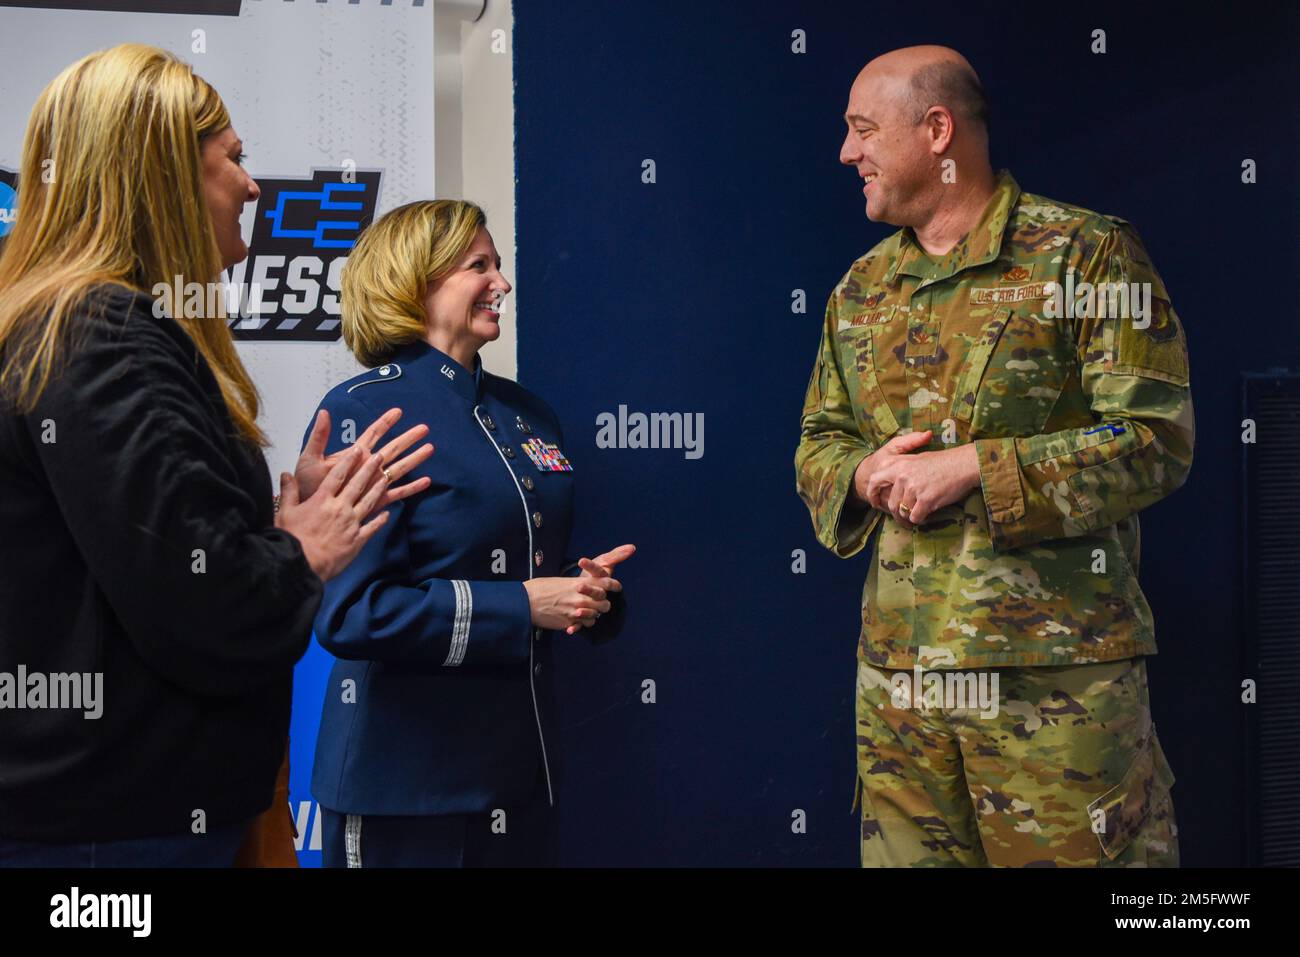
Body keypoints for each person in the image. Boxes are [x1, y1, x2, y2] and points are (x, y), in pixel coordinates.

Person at [0, 43, 431, 867]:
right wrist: (302, 549)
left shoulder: (65, 326)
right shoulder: (104, 337)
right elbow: (204, 609)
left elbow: (134, 554)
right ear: (160, 173)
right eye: (233, 157)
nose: (252, 185)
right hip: (113, 832)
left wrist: (259, 530)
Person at [794, 46, 1193, 867]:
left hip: (1054, 691)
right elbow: (819, 443)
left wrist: (976, 466)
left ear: (937, 130)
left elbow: (1156, 440)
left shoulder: (1084, 255)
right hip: (901, 684)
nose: (846, 153)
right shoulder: (859, 289)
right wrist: (863, 474)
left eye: (863, 130)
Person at [305, 199, 635, 867]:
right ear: (412, 281)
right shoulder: (366, 409)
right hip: (404, 791)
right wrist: (524, 605)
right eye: (476, 266)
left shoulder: (528, 412)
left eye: (500, 266)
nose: (502, 284)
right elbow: (353, 613)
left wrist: (586, 594)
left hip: (521, 782)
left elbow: (531, 569)